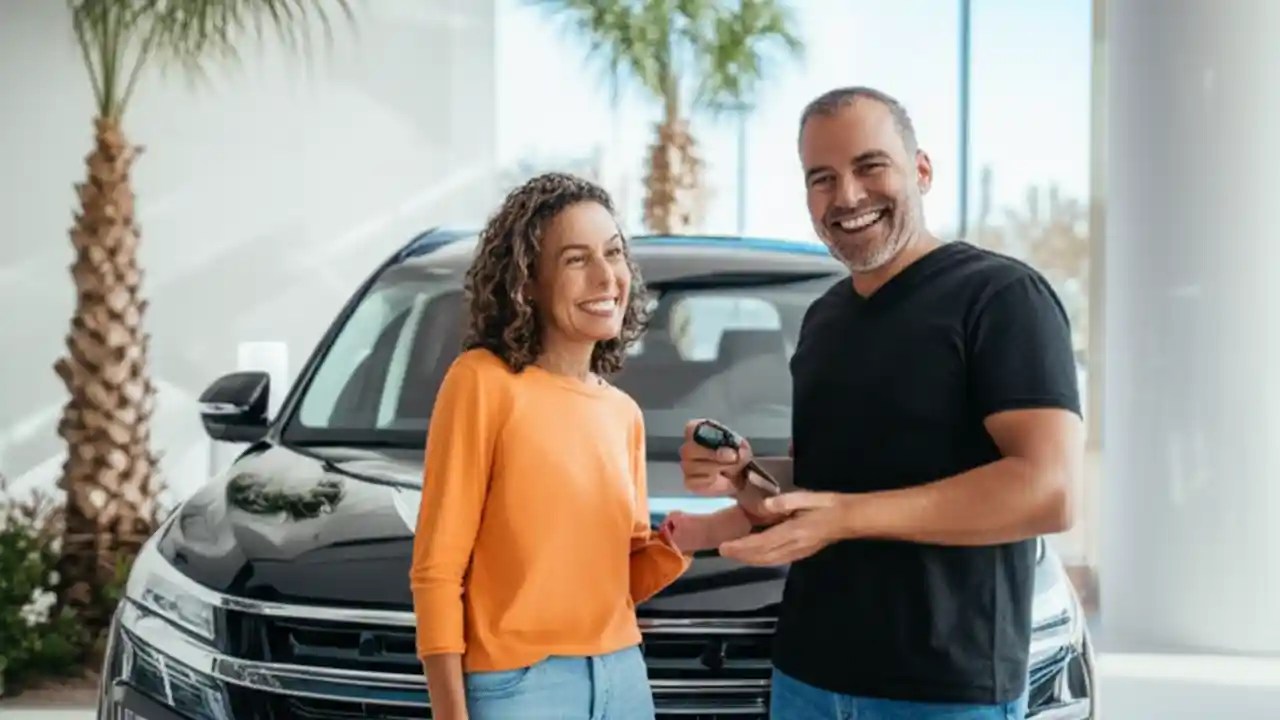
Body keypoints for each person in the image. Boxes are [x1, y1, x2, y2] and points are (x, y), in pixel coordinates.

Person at [677, 86, 1084, 719]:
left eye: (870, 167)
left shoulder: (1001, 298)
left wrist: (847, 517)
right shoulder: (824, 320)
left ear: (920, 171)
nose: (847, 196)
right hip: (807, 677)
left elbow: (1051, 490)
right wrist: (745, 477)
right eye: (822, 178)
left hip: (941, 692)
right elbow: (820, 484)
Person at [409, 172, 714, 719]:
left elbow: (616, 579)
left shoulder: (623, 415)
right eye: (576, 260)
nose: (606, 276)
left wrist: (708, 532)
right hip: (520, 688)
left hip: (623, 677)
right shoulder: (482, 382)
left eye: (614, 253)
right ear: (527, 283)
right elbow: (436, 572)